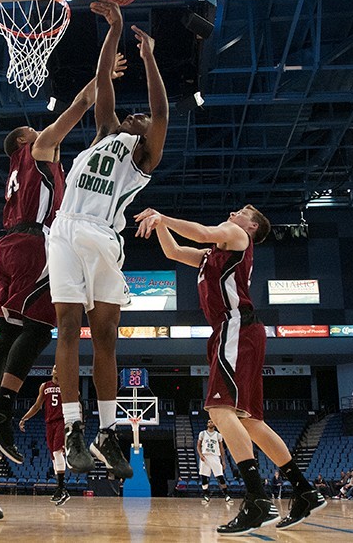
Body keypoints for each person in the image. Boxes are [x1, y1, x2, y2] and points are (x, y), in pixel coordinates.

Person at [0, 50, 126, 466]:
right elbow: (77, 108)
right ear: (24, 140)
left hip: (8, 245)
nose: (41, 130)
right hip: (35, 245)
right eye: (33, 130)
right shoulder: (36, 151)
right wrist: (101, 75)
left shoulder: (17, 172)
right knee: (39, 330)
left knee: (6, 333)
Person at [135, 205, 325, 535]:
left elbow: (202, 231)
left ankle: (257, 499)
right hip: (235, 331)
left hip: (236, 327)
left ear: (251, 228)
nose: (236, 211)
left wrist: (165, 217)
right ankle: (305, 491)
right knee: (251, 421)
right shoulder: (212, 256)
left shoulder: (238, 236)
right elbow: (175, 250)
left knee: (219, 410)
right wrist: (158, 223)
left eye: (244, 212)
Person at [49, 0, 168, 480]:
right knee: (65, 328)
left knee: (104, 339)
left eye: (138, 119)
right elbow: (102, 85)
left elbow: (160, 111)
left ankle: (107, 432)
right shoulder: (103, 133)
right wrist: (114, 29)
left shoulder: (143, 156)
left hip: (103, 235)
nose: (134, 115)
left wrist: (149, 58)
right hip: (65, 228)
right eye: (131, 114)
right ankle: (76, 429)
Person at [18, 366, 70, 505]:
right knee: (53, 456)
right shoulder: (44, 386)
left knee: (58, 452)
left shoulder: (67, 385)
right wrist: (24, 418)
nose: (56, 369)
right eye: (54, 367)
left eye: (58, 367)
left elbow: (77, 401)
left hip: (62, 421)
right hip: (49, 423)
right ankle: (60, 489)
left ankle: (62, 488)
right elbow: (36, 406)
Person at [196, 419, 232, 503]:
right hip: (205, 456)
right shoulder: (202, 433)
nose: (210, 423)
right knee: (204, 477)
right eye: (208, 422)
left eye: (211, 421)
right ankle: (205, 495)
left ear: (215, 424)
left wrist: (223, 460)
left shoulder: (218, 435)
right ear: (207, 424)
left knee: (220, 477)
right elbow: (198, 446)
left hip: (215, 456)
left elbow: (221, 448)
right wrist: (200, 455)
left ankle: (226, 495)